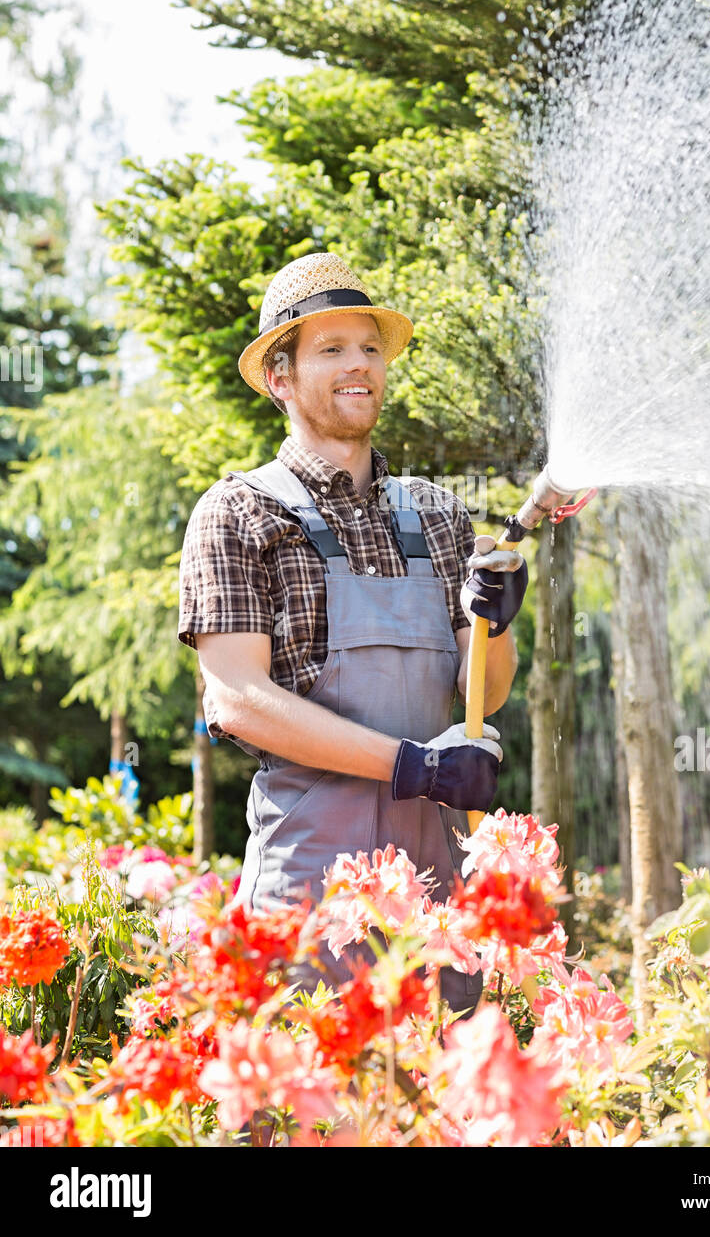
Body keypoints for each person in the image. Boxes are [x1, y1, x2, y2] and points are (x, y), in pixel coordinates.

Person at [177, 251, 527, 1015]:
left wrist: (496, 622)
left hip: (437, 897)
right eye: (330, 349)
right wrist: (415, 766)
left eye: (369, 347)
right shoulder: (238, 514)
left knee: (441, 1119)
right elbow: (239, 700)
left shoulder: (437, 515)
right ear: (280, 375)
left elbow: (482, 692)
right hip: (307, 903)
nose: (358, 365)